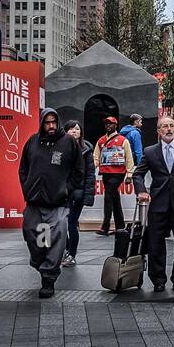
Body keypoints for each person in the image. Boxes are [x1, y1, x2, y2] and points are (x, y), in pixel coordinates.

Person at [18, 107, 84, 298]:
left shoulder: (68, 142)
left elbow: (79, 171)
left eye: (54, 122)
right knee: (37, 240)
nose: (51, 126)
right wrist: (27, 187)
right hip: (35, 205)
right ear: (42, 123)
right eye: (47, 122)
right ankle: (41, 264)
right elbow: (23, 168)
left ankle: (48, 279)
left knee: (56, 241)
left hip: (57, 205)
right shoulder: (33, 142)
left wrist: (66, 189)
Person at [133, 115, 174, 292]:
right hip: (158, 204)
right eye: (165, 126)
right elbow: (137, 174)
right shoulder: (150, 152)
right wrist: (141, 190)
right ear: (158, 131)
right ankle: (158, 280)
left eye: (171, 126)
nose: (169, 129)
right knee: (155, 244)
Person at [93, 115, 134, 238]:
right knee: (114, 198)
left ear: (115, 125)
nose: (108, 126)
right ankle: (120, 226)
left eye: (110, 124)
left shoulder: (123, 140)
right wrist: (94, 166)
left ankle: (105, 226)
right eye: (106, 124)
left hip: (118, 173)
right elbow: (96, 156)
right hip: (105, 172)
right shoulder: (101, 140)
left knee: (108, 196)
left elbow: (129, 157)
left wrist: (130, 174)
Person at [63, 120, 95, 268]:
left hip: (78, 193)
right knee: (62, 223)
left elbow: (90, 174)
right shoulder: (60, 148)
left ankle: (71, 254)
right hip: (63, 192)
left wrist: (88, 195)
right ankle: (66, 249)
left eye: (77, 129)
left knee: (71, 222)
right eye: (71, 129)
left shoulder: (87, 150)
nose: (74, 131)